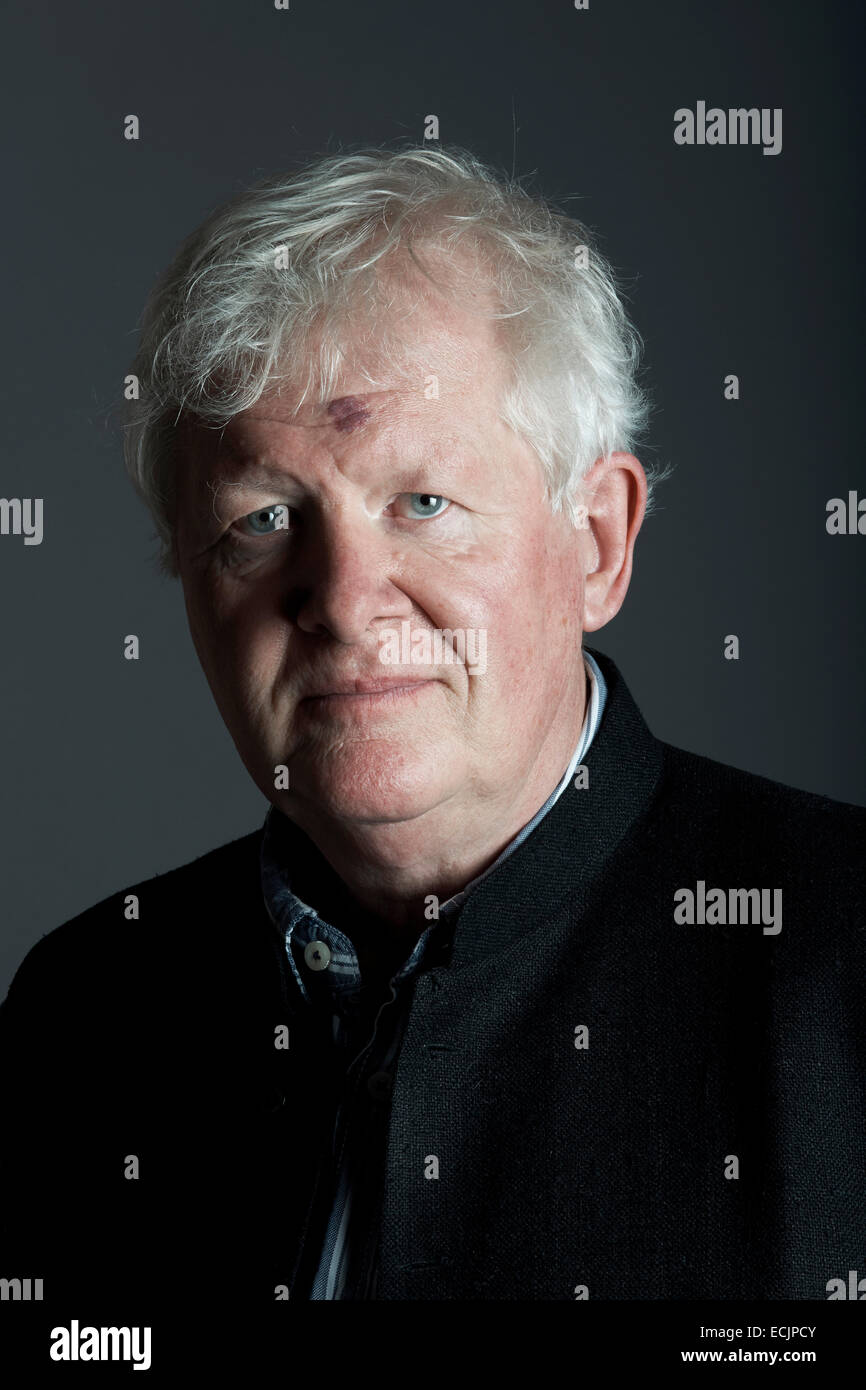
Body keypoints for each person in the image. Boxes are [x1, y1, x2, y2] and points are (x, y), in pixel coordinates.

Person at [0, 147, 862, 1315]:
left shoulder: (842, 962)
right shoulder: (83, 1012)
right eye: (262, 520)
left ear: (597, 541)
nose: (345, 600)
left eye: (423, 502)